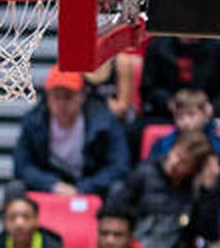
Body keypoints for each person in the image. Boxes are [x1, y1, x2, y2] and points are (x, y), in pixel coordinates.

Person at [113, 127, 220, 248]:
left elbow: (208, 232)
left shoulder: (195, 191)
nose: (174, 163)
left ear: (193, 170)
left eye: (184, 163)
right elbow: (118, 211)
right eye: (176, 154)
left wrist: (208, 189)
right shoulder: (144, 173)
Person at [11, 65, 130, 197]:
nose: (61, 104)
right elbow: (22, 166)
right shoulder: (33, 121)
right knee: (15, 188)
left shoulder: (105, 121)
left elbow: (119, 166)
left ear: (82, 96)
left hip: (91, 184)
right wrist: (52, 184)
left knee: (118, 189)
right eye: (56, 96)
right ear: (47, 97)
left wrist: (84, 187)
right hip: (51, 182)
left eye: (68, 96)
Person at [139, 35, 220, 121]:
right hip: (167, 114)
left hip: (218, 114)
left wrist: (213, 107)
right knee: (136, 130)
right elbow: (148, 88)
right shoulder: (158, 45)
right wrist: (169, 103)